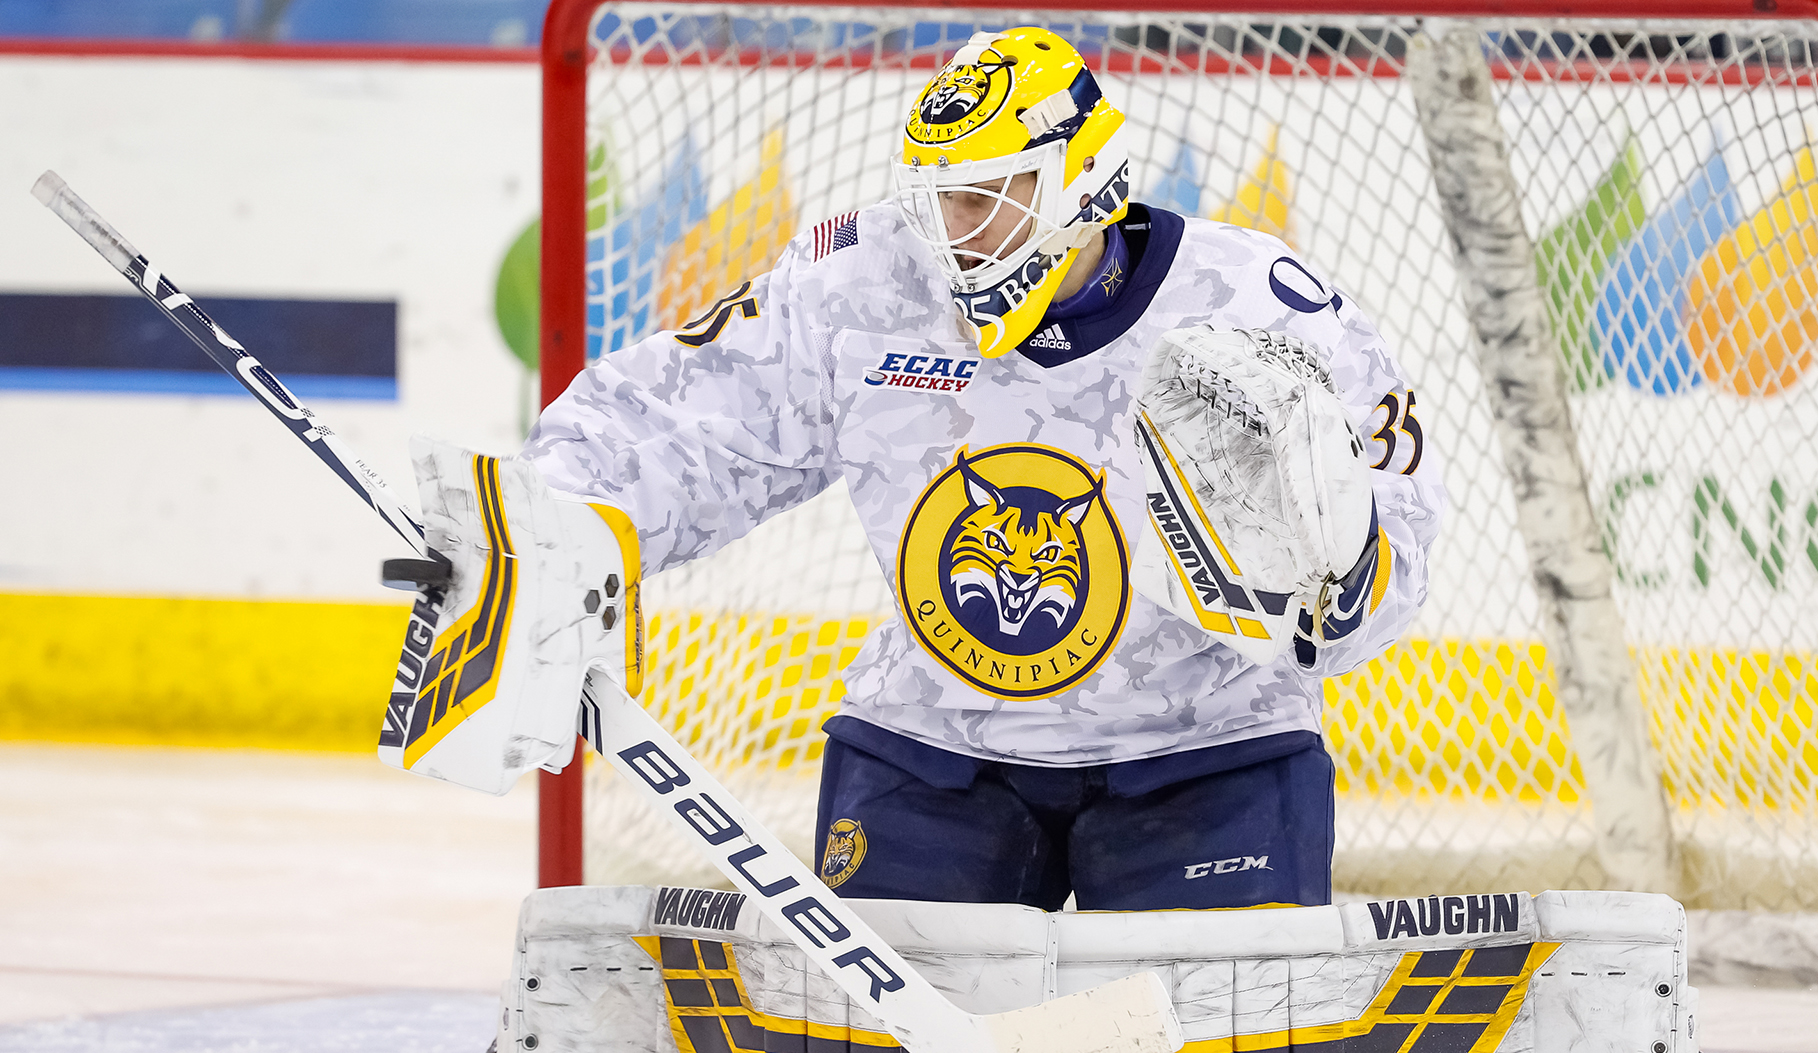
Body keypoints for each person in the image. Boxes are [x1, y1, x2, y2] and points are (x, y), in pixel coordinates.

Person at [524, 26, 1443, 913]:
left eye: (987, 194)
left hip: (1213, 749)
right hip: (934, 744)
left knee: (1209, 1052)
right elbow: (691, 417)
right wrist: (547, 522)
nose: (953, 230)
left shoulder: (1259, 303)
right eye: (939, 195)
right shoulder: (865, 282)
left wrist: (1345, 581)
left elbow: (1389, 519)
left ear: (1084, 177)